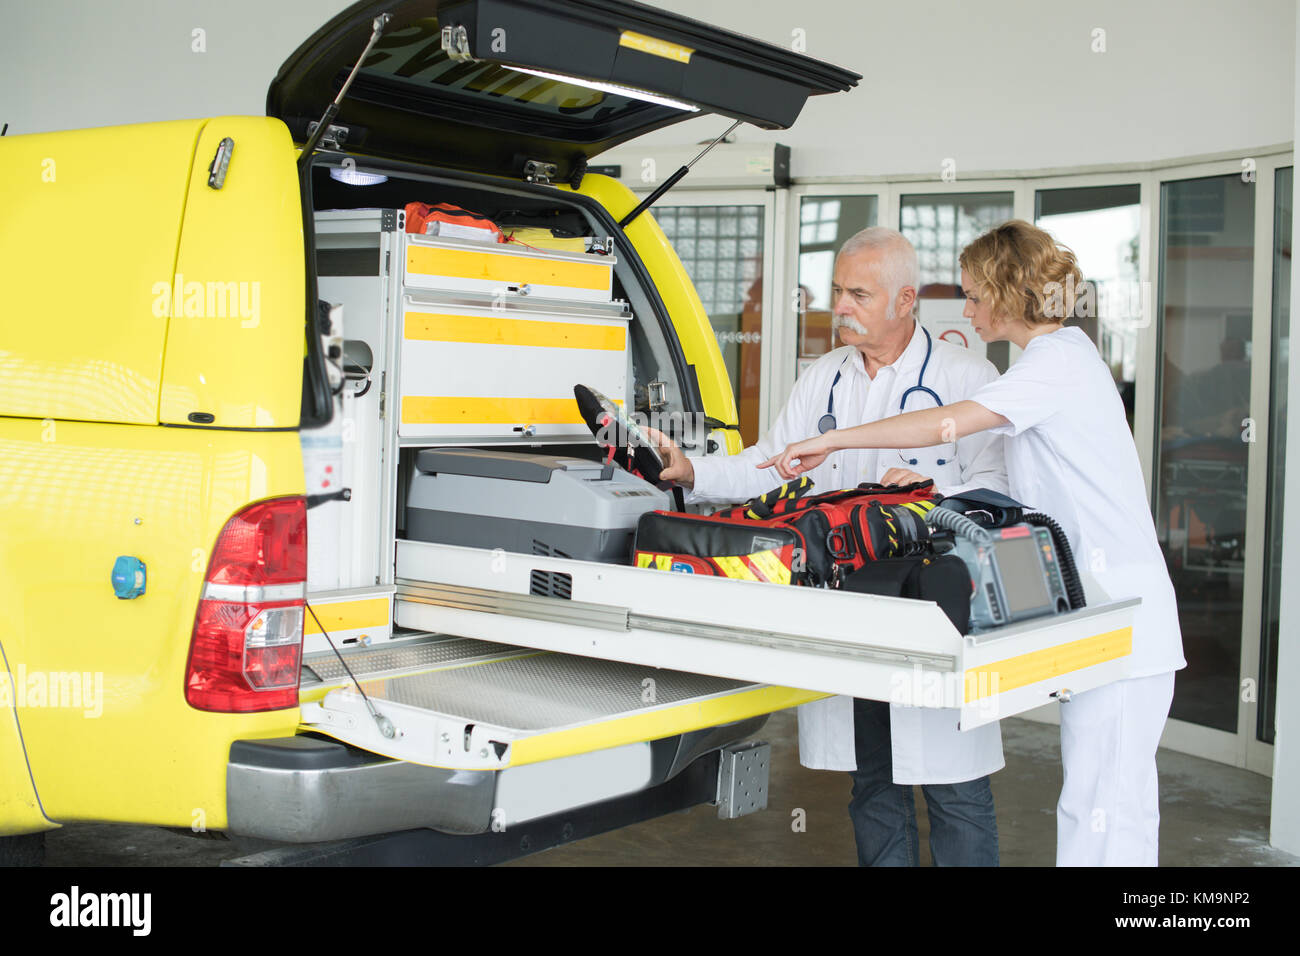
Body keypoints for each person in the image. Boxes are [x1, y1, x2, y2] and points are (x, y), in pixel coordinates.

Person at [761, 220, 1187, 866]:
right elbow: (1011, 499)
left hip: (1126, 622)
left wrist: (836, 441)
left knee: (1108, 818)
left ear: (1008, 290)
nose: (966, 310)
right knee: (1100, 806)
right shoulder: (1051, 364)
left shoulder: (1058, 362)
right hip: (1108, 620)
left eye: (974, 293)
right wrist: (932, 495)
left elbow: (948, 423)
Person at [651, 227, 1009, 866]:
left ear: (906, 300)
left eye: (858, 294)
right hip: (847, 607)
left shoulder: (966, 375)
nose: (838, 305)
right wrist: (694, 474)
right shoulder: (824, 376)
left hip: (931, 612)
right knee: (872, 782)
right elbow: (772, 462)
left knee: (954, 787)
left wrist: (937, 487)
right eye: (838, 290)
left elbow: (1000, 486)